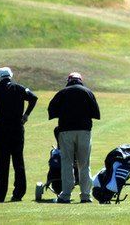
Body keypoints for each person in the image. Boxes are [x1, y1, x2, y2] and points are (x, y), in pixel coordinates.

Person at [0, 67, 37, 203]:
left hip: (1, 129)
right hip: (17, 128)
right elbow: (33, 98)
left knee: (2, 162)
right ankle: (18, 194)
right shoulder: (19, 88)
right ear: (10, 76)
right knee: (18, 161)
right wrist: (26, 115)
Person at [47, 72, 101, 204]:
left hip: (66, 131)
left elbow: (52, 109)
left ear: (69, 80)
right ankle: (85, 195)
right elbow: (96, 113)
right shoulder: (88, 92)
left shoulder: (62, 92)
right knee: (84, 164)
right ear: (80, 80)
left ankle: (65, 195)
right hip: (84, 131)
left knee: (67, 163)